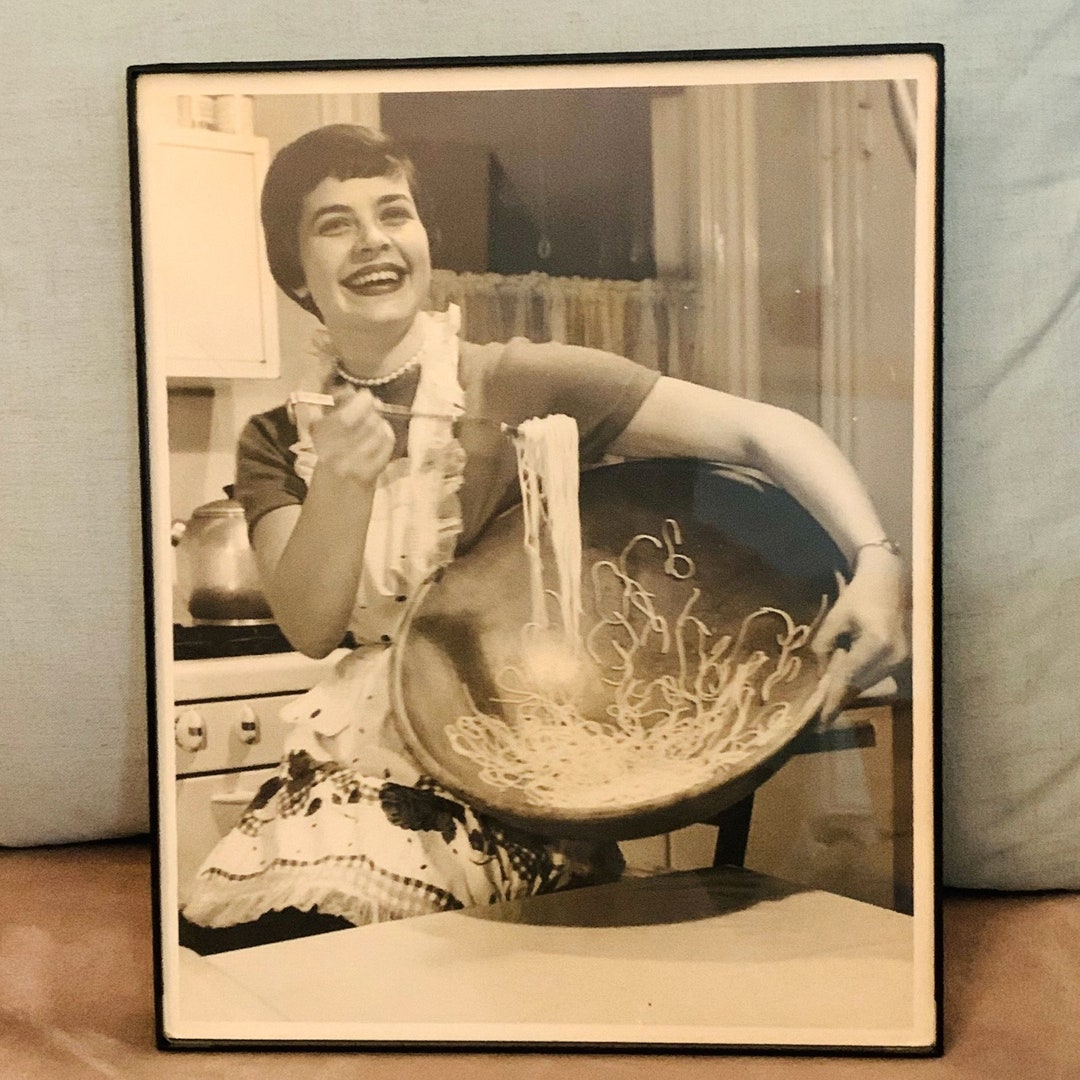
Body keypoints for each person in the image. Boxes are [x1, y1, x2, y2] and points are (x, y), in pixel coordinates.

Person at [179, 123, 908, 949]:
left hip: (514, 776)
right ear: (295, 271)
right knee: (236, 938)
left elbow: (765, 433)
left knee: (341, 947)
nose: (373, 240)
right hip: (350, 766)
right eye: (334, 223)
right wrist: (342, 481)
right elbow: (313, 628)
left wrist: (878, 563)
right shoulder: (280, 436)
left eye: (394, 212)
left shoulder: (523, 380)